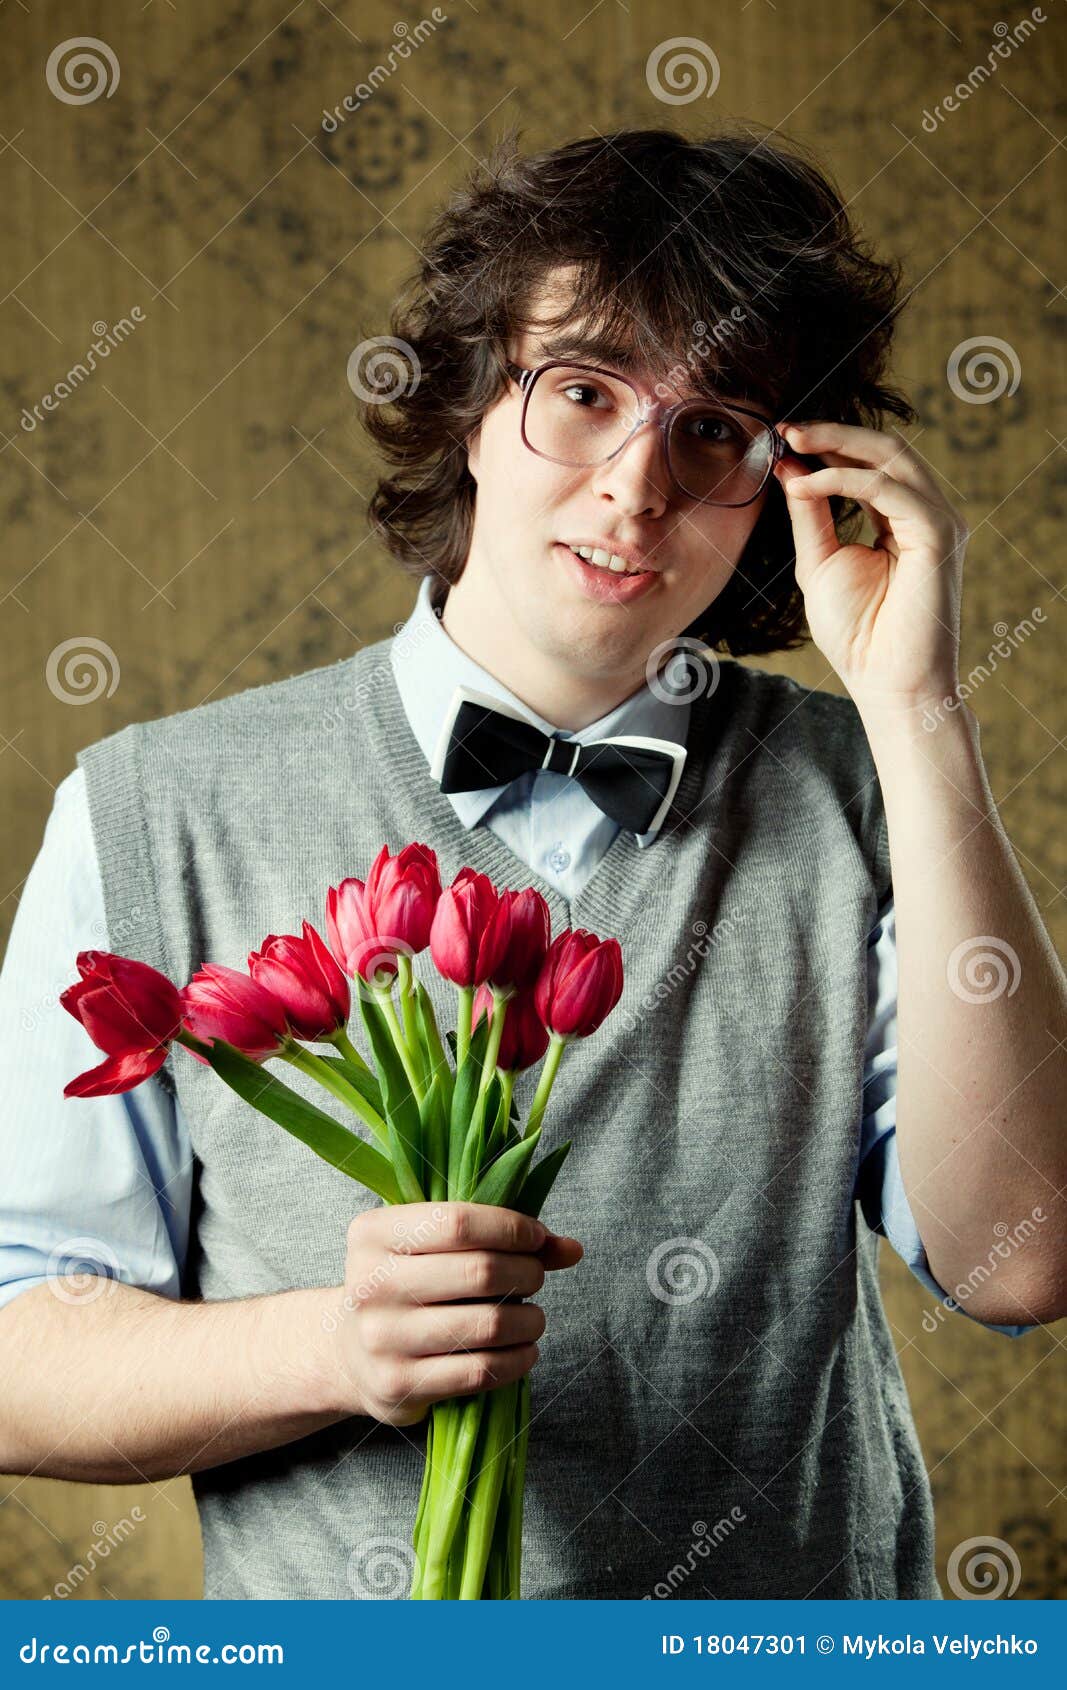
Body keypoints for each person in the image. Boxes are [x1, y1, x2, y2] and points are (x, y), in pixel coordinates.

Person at [1, 127, 1064, 1602]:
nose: (637, 489)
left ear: (790, 477)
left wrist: (917, 709)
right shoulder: (147, 809)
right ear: (465, 406)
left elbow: (1021, 1257)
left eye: (716, 430)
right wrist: (335, 1343)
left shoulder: (864, 791)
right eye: (581, 391)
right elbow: (15, 1351)